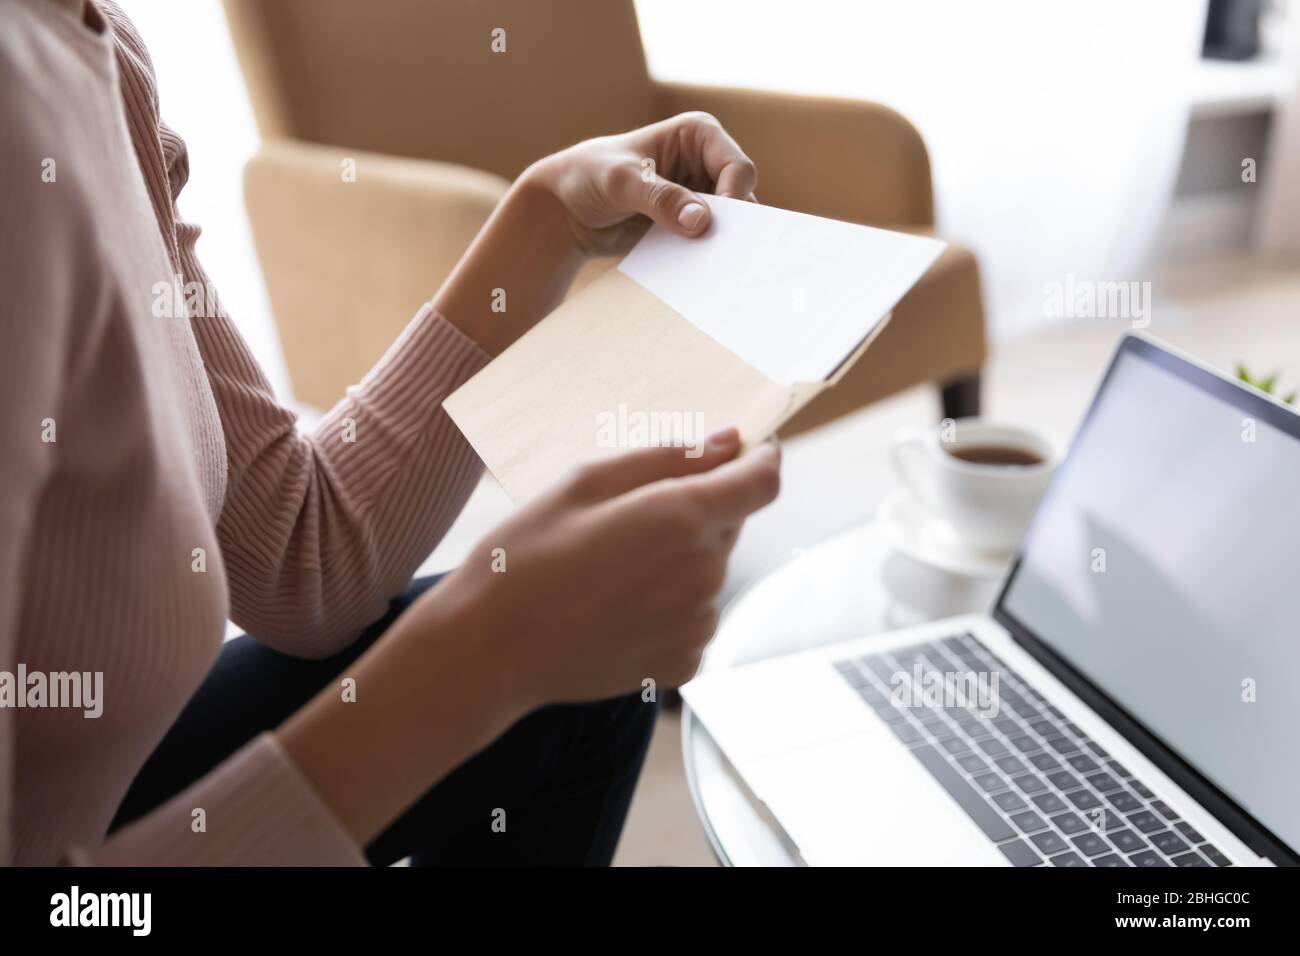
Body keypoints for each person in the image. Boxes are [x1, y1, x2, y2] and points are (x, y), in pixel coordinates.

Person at [0, 0, 781, 865]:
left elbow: (302, 554)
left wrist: (549, 221)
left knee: (576, 685)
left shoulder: (93, 40)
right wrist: (484, 659)